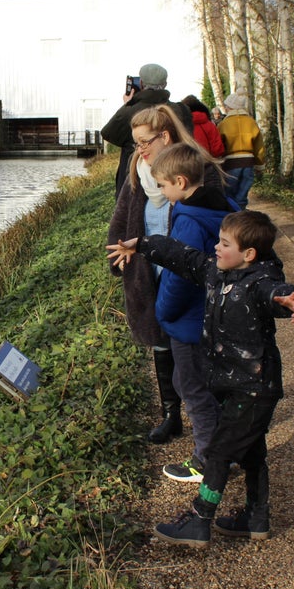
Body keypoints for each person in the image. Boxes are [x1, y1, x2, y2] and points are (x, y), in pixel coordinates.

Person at [106, 209, 294, 548]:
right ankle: (257, 517)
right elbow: (182, 257)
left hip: (255, 387)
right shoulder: (217, 273)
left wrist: (285, 299)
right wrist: (142, 244)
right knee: (253, 451)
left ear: (249, 254)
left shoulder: (258, 282)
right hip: (233, 382)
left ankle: (200, 520)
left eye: (225, 243)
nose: (216, 247)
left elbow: (274, 292)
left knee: (219, 451)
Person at [107, 105, 224, 446]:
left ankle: (209, 424)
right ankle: (171, 416)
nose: (139, 149)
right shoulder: (139, 172)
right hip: (147, 271)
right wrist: (116, 256)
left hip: (188, 274)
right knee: (159, 342)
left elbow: (217, 222)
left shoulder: (198, 169)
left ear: (165, 136)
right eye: (136, 143)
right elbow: (122, 217)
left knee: (193, 348)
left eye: (144, 142)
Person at [140, 143, 234, 484]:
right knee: (191, 382)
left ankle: (207, 460)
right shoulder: (219, 205)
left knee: (193, 388)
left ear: (180, 182)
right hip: (209, 317)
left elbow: (180, 275)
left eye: (163, 186)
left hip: (189, 321)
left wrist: (163, 312)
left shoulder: (189, 221)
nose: (162, 193)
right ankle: (225, 447)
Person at [101, 63, 194, 197]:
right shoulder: (181, 110)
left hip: (133, 175)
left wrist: (127, 105)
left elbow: (108, 134)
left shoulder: (130, 110)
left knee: (133, 213)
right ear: (165, 84)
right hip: (174, 175)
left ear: (142, 83)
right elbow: (188, 137)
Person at [216, 93, 266, 209]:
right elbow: (259, 146)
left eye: (227, 106)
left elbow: (219, 146)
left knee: (229, 195)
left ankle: (230, 220)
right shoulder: (251, 122)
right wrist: (259, 165)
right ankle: (241, 218)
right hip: (248, 163)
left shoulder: (224, 124)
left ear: (230, 107)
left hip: (230, 164)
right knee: (242, 197)